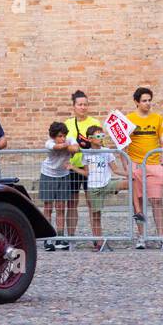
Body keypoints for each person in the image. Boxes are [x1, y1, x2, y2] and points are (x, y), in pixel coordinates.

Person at [126, 86, 163, 248]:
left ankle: (161, 236)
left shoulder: (158, 118)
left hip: (154, 164)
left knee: (157, 201)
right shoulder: (128, 119)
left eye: (149, 100)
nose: (148, 103)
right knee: (139, 202)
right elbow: (122, 145)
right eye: (144, 101)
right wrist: (127, 167)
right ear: (136, 102)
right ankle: (141, 236)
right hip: (136, 164)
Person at [78, 124, 126, 252]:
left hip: (107, 183)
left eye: (102, 135)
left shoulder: (107, 151)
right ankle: (98, 242)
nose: (101, 138)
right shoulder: (86, 154)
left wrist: (130, 174)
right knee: (96, 216)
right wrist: (73, 168)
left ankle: (137, 211)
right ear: (90, 138)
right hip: (93, 187)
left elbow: (115, 169)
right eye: (98, 136)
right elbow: (86, 173)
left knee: (129, 183)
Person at [63, 90, 102, 239]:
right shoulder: (68, 124)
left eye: (85, 104)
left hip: (90, 167)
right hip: (72, 167)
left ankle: (95, 237)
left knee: (92, 203)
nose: (83, 107)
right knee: (72, 203)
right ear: (74, 106)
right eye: (80, 104)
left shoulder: (95, 122)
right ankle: (71, 237)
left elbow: (100, 142)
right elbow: (64, 144)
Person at [40, 122, 74, 250]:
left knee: (61, 207)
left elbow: (76, 148)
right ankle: (47, 237)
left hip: (63, 175)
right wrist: (68, 145)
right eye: (60, 136)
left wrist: (71, 145)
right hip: (48, 174)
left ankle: (60, 237)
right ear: (53, 136)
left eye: (64, 135)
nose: (63, 138)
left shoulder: (69, 140)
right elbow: (58, 147)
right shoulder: (49, 143)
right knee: (48, 207)